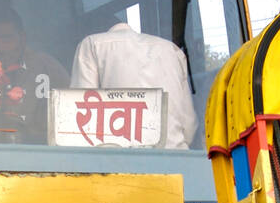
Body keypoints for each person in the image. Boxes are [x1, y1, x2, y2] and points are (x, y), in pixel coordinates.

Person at [70, 20, 197, 149]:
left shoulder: (92, 44)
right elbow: (189, 127)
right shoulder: (172, 50)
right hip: (175, 161)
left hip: (120, 162)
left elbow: (82, 124)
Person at [0, 7, 69, 142]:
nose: (0, 47)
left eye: (6, 39)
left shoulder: (41, 65)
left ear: (22, 38)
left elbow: (13, 122)